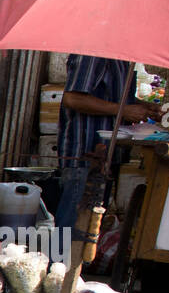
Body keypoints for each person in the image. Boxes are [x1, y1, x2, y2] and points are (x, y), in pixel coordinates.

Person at [55, 54, 163, 236]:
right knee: (73, 229)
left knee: (90, 230)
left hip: (108, 157)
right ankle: (59, 263)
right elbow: (73, 99)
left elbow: (113, 99)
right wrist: (124, 110)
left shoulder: (120, 58)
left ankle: (78, 264)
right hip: (85, 155)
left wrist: (142, 107)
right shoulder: (92, 53)